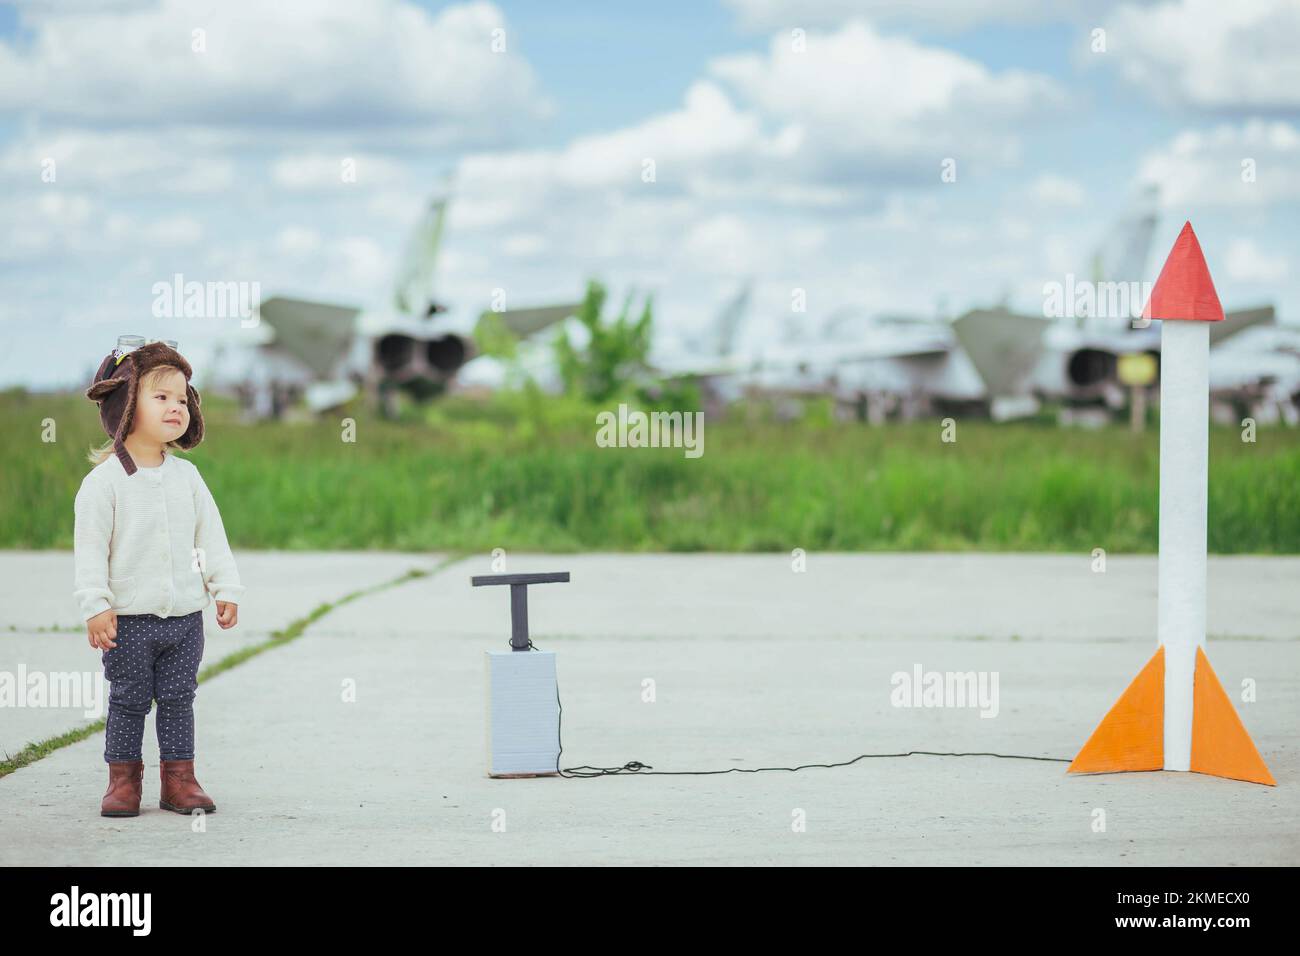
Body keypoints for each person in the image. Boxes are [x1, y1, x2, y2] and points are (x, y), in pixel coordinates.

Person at [74, 340, 244, 817]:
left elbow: (211, 536)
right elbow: (90, 551)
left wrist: (224, 587)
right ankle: (123, 782)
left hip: (184, 619)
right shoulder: (104, 484)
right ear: (125, 406)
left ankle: (180, 781)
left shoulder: (187, 478)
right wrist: (95, 604)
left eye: (182, 398)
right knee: (129, 702)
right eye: (161, 397)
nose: (176, 406)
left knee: (177, 700)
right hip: (128, 620)